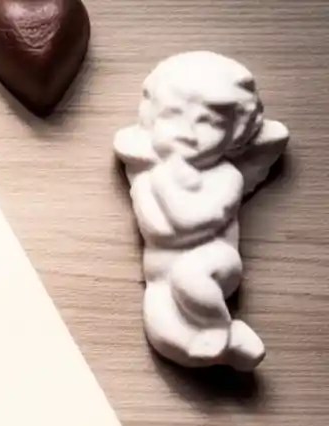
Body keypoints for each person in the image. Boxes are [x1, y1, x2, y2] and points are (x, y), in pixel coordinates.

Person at [114, 51, 288, 371]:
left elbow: (193, 224)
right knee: (162, 328)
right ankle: (229, 348)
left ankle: (218, 326)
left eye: (209, 122)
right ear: (152, 121)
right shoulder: (147, 177)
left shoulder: (225, 176)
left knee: (189, 275)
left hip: (216, 263)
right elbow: (156, 230)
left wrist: (165, 186)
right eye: (173, 115)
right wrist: (163, 188)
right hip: (159, 277)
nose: (189, 133)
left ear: (236, 134)